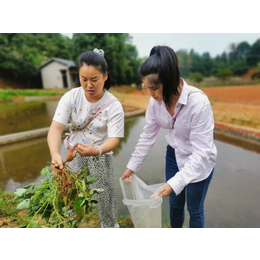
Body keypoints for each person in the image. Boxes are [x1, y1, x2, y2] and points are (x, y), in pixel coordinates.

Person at [121, 46, 217, 228]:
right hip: (173, 155)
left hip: (199, 160)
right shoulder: (155, 102)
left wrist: (176, 182)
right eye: (146, 88)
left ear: (171, 80)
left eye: (154, 88)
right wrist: (132, 166)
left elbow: (202, 152)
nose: (151, 93)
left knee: (194, 210)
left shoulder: (198, 103)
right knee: (175, 204)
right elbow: (147, 135)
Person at [47, 48, 124, 228]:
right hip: (74, 154)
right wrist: (54, 154)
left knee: (106, 196)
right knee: (70, 192)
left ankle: (110, 226)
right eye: (84, 79)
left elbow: (114, 139)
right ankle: (69, 224)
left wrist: (96, 150)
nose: (89, 84)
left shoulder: (113, 106)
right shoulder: (71, 97)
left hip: (100, 154)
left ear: (105, 76)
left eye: (94, 79)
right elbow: (55, 129)